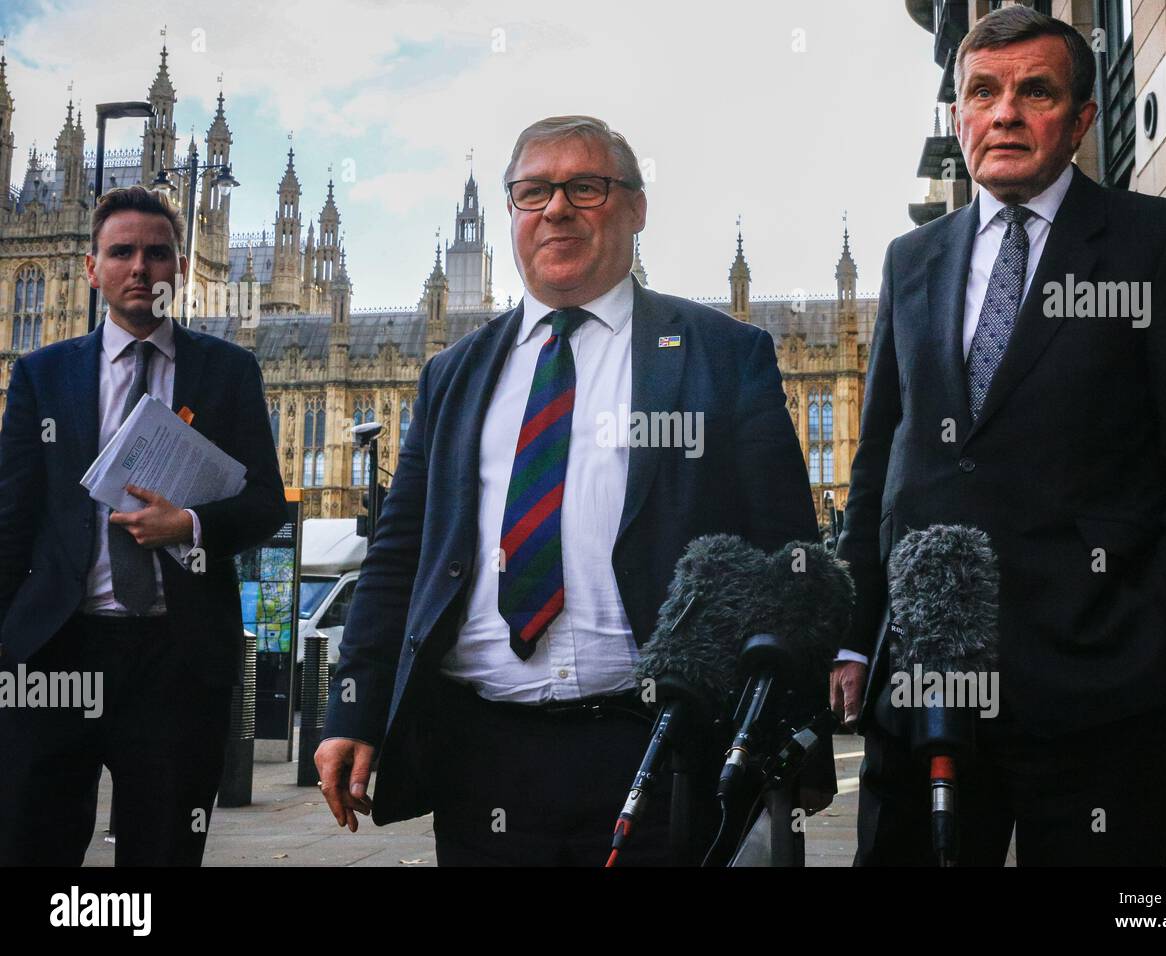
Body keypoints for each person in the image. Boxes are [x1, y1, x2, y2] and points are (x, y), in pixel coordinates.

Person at [316, 115, 821, 865]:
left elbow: (788, 557)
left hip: (658, 746)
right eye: (533, 192)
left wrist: (787, 731)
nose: (556, 209)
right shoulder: (453, 375)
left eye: (585, 187)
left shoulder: (722, 353)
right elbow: (398, 557)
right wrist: (352, 707)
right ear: (511, 214)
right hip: (481, 753)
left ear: (635, 207)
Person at [830, 5, 1166, 866]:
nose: (1005, 113)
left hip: (1091, 687)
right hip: (924, 679)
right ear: (959, 115)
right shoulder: (910, 262)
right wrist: (853, 632)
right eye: (982, 92)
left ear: (1084, 119)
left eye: (1035, 91)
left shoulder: (1158, 245)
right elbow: (880, 463)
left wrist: (1159, 637)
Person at [0, 185, 287, 865]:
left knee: (161, 853)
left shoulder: (228, 372)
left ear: (181, 269)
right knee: (30, 843)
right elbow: (11, 521)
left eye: (157, 253)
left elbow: (265, 503)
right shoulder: (41, 375)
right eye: (121, 252)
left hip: (174, 661)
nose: (140, 267)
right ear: (92, 268)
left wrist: (187, 524)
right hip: (57, 651)